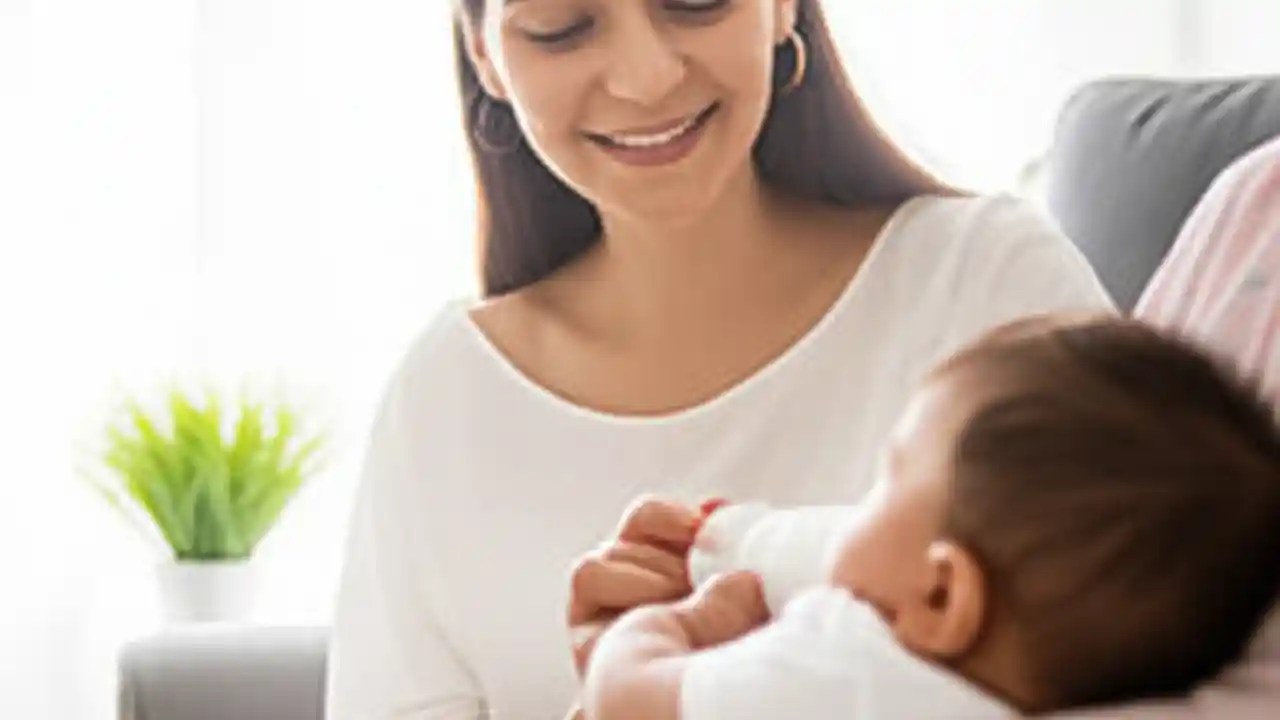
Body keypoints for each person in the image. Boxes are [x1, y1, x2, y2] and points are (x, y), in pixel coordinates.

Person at [325, 1, 1112, 718]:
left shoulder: (986, 283)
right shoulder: (446, 399)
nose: (646, 78)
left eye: (695, 2)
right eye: (561, 27)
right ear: (487, 56)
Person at [581, 317, 1280, 719]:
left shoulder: (844, 671)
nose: (852, 513)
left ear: (942, 595)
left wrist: (685, 625)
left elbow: (624, 700)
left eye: (887, 478)